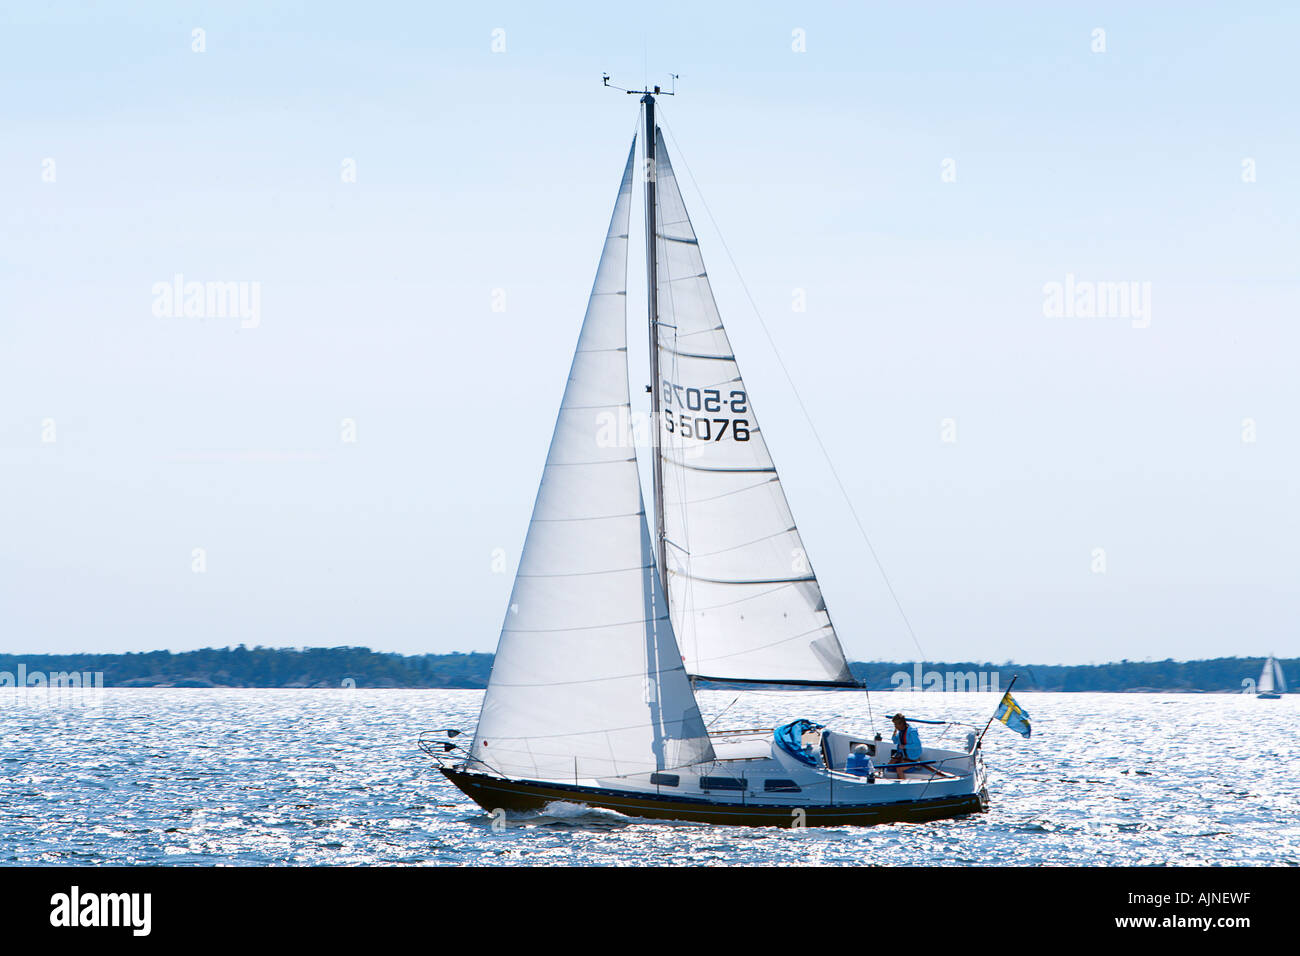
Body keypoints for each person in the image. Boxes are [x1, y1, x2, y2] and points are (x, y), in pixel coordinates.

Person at [889, 713, 922, 780]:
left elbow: (917, 745)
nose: (895, 726)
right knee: (889, 765)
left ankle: (902, 785)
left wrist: (905, 746)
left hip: (912, 757)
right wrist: (895, 731)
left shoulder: (912, 731)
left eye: (896, 724)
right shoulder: (901, 731)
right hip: (903, 755)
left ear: (901, 724)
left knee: (899, 769)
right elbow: (895, 741)